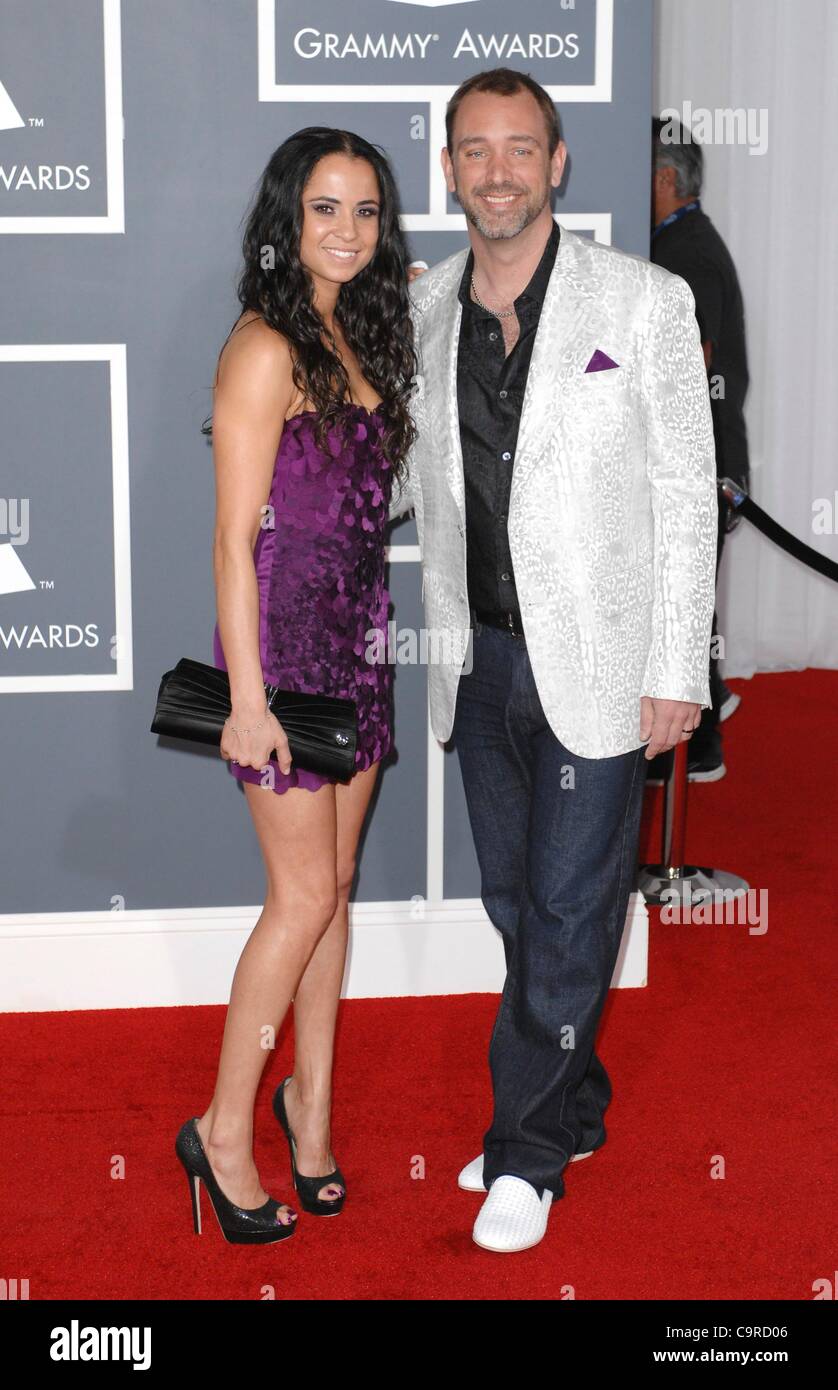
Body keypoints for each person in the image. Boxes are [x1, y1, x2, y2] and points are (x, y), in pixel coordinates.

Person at [391, 69, 718, 1253]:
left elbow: (687, 495)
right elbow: (395, 477)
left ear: (559, 163)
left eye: (519, 148)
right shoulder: (421, 308)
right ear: (447, 170)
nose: (496, 171)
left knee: (573, 910)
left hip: (600, 659)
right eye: (473, 150)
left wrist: (679, 664)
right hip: (476, 663)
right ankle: (571, 1106)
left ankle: (526, 1155)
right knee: (516, 904)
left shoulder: (643, 303)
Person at [175, 127, 417, 1245]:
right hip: (280, 657)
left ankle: (309, 1114)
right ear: (287, 217)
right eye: (325, 209)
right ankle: (222, 1132)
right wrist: (249, 701)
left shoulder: (363, 328)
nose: (347, 230)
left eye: (365, 210)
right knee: (302, 898)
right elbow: (233, 542)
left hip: (362, 645)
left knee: (339, 882)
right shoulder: (265, 346)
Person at [650, 115, 751, 781]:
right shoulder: (687, 242)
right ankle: (707, 714)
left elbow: (693, 369)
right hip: (705, 461)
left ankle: (700, 746)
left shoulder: (687, 255)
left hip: (701, 465)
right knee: (687, 602)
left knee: (681, 605)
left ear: (663, 178)